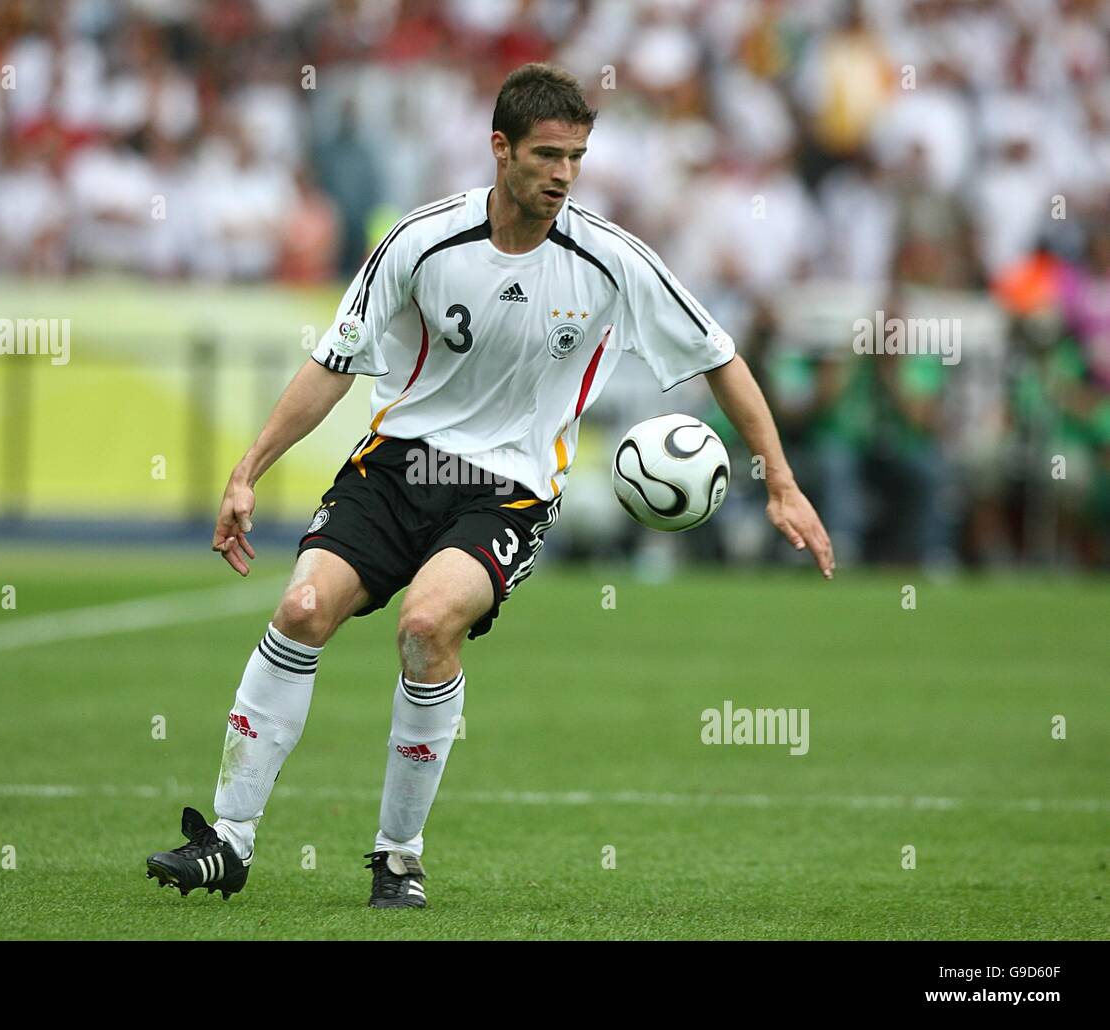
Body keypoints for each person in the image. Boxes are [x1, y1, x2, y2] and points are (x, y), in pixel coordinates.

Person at [146, 63, 834, 909]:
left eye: (578, 156)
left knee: (428, 624)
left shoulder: (610, 258)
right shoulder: (420, 239)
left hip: (506, 490)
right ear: (499, 149)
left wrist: (782, 484)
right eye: (548, 154)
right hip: (396, 464)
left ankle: (397, 857)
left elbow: (720, 356)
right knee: (298, 610)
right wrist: (248, 470)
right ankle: (228, 842)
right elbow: (333, 363)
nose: (564, 174)